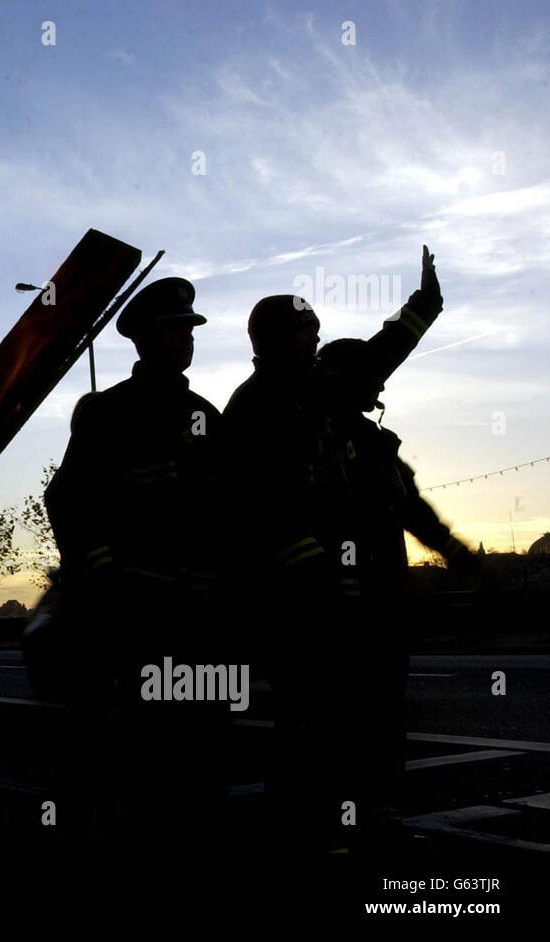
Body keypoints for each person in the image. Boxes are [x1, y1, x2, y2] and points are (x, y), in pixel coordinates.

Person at [222, 245, 445, 851]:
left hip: (349, 597)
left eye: (317, 329)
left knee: (364, 717)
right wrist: (310, 577)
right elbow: (255, 511)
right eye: (304, 330)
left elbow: (381, 352)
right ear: (266, 340)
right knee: (312, 722)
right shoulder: (253, 409)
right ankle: (307, 832)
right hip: (296, 604)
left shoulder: (322, 389)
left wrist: (425, 303)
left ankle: (363, 816)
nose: (315, 340)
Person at [44, 276, 226, 845]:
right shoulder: (106, 411)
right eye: (173, 330)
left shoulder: (204, 415)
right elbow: (68, 498)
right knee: (138, 749)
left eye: (189, 330)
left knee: (199, 747)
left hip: (198, 613)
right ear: (144, 340)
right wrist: (103, 571)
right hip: (136, 613)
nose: (185, 339)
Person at [316, 337, 476, 842]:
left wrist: (458, 554)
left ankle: (383, 821)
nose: (381, 385)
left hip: (384, 604)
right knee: (335, 724)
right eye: (370, 376)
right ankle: (332, 833)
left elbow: (411, 507)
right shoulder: (311, 436)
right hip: (332, 610)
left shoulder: (371, 442)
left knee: (383, 715)